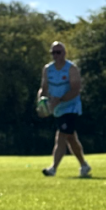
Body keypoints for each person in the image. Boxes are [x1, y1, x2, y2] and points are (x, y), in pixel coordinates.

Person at [38, 41, 91, 178]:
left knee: (61, 135)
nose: (56, 55)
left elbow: (75, 89)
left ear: (64, 53)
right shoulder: (48, 69)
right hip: (57, 110)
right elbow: (43, 88)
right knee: (71, 138)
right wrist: (41, 102)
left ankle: (53, 168)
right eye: (53, 53)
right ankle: (84, 165)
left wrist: (60, 100)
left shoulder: (71, 69)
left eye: (58, 52)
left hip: (71, 107)